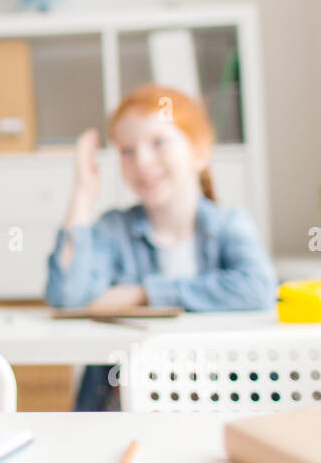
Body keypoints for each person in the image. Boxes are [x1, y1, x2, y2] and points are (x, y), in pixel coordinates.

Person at [45, 84, 276, 410]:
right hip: (127, 411)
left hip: (218, 405)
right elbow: (67, 296)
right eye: (127, 150)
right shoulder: (114, 228)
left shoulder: (229, 224)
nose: (142, 161)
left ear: (199, 152)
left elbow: (258, 289)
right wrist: (83, 193)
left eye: (159, 142)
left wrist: (143, 294)